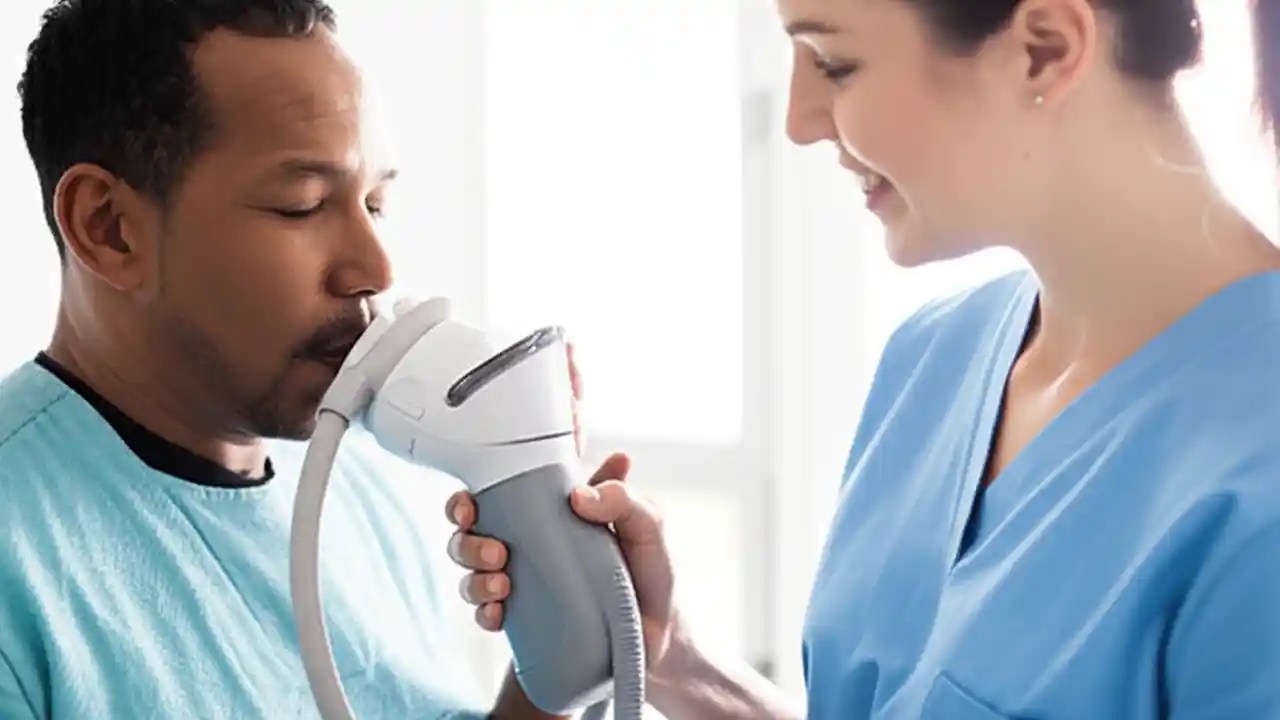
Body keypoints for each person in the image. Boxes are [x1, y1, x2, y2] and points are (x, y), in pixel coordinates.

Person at [447, 0, 1280, 717]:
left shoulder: (1257, 485)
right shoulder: (934, 360)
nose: (797, 120)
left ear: (1045, 48)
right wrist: (668, 656)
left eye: (834, 63)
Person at [0, 1, 595, 718]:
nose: (376, 267)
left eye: (375, 203)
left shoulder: (365, 490)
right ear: (110, 228)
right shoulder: (20, 561)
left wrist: (568, 631)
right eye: (302, 205)